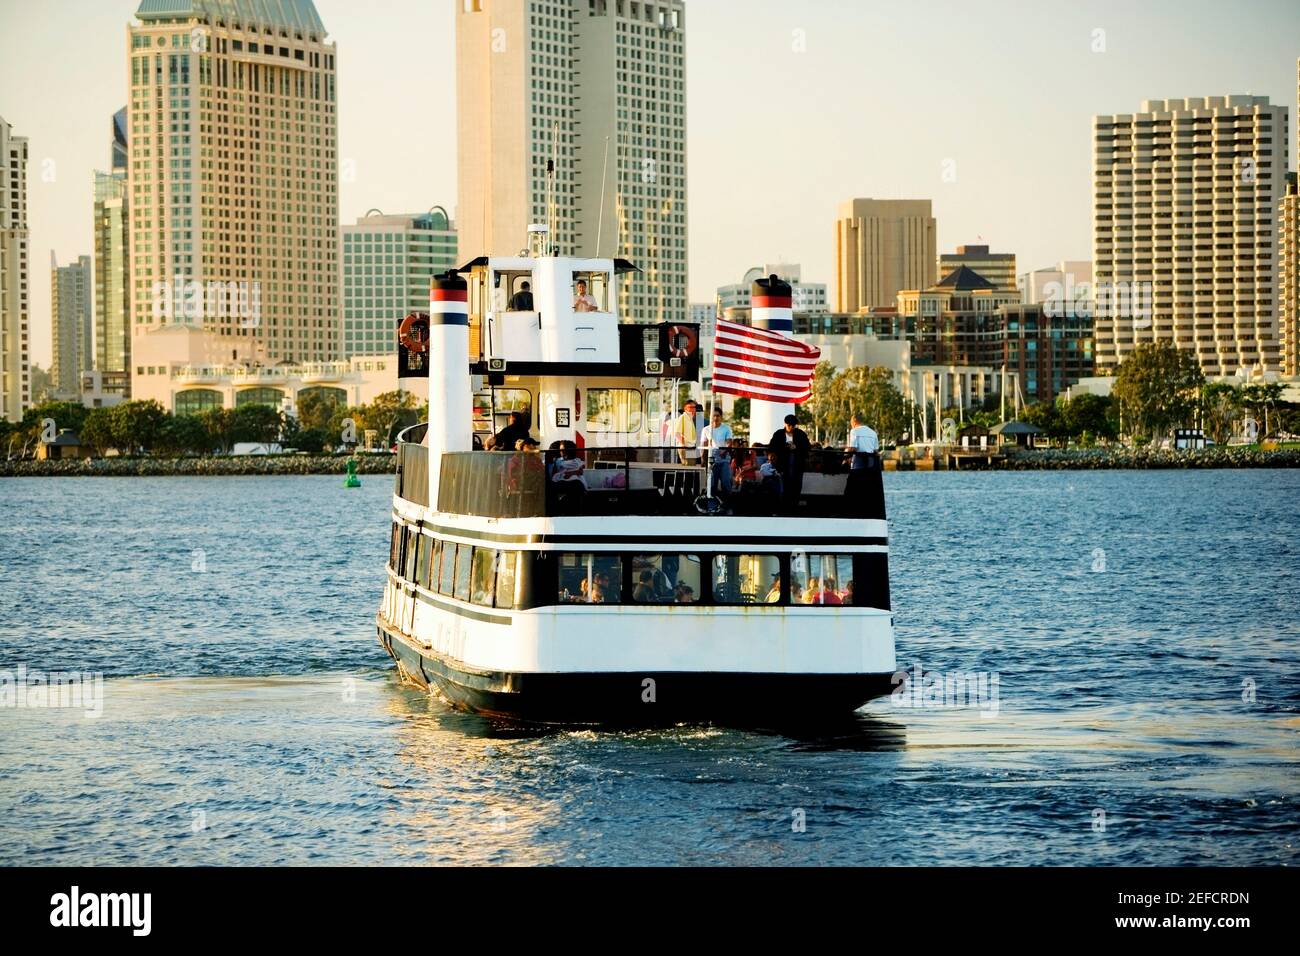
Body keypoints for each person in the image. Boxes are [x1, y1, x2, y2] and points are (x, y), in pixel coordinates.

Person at [767, 414, 811, 509]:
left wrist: (796, 447)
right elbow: (771, 447)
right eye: (789, 425)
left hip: (797, 464)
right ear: (785, 424)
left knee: (796, 486)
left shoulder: (801, 434)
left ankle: (793, 507)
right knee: (784, 486)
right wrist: (772, 454)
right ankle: (784, 507)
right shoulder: (778, 434)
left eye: (793, 425)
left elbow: (808, 447)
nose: (791, 427)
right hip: (783, 464)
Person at [699, 407, 733, 501]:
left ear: (721, 417)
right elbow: (704, 445)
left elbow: (729, 442)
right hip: (711, 457)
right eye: (713, 415)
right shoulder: (706, 429)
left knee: (725, 482)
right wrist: (703, 458)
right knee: (711, 483)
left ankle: (727, 503)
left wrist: (724, 450)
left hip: (723, 457)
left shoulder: (726, 428)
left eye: (717, 415)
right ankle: (712, 503)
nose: (715, 418)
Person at [671, 399, 701, 465]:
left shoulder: (690, 419)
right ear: (685, 409)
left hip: (690, 447)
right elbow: (677, 433)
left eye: (694, 407)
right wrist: (684, 445)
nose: (693, 409)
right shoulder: (683, 417)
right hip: (686, 447)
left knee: (691, 467)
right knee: (689, 468)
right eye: (690, 407)